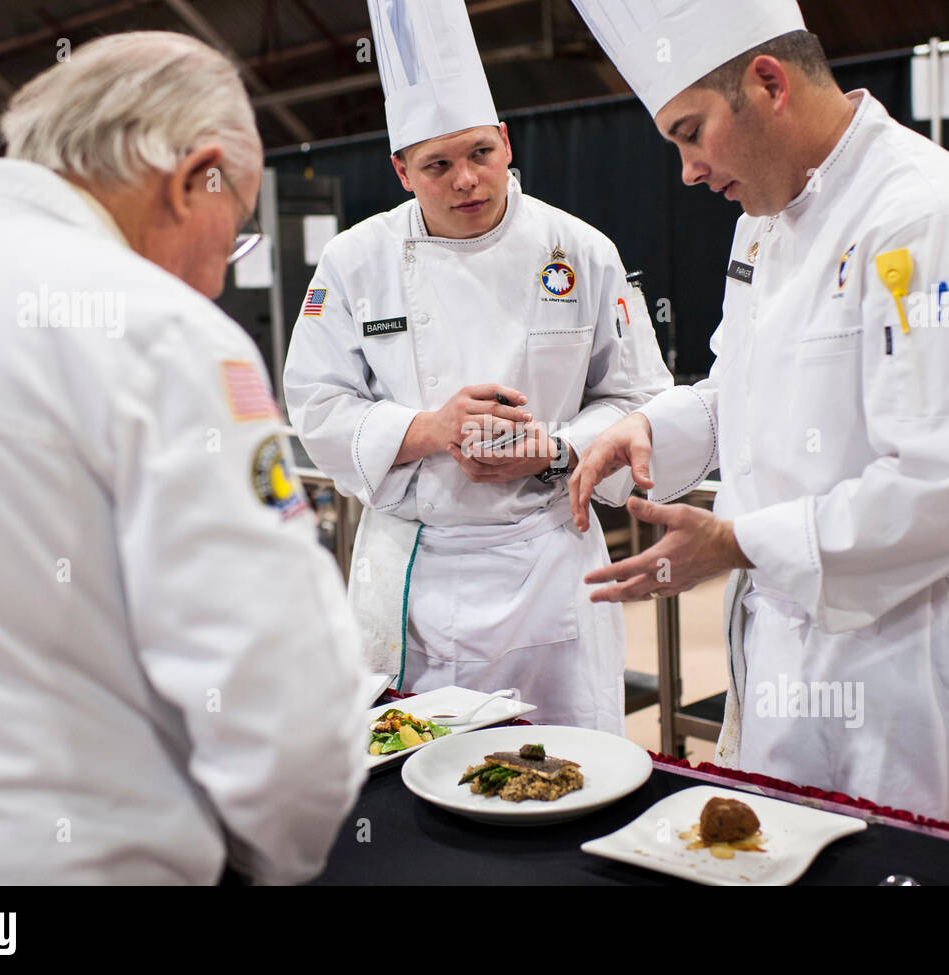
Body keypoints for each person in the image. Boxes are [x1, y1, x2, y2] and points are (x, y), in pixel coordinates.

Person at [0, 31, 368, 884]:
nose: (216, 278)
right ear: (194, 176)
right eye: (235, 231)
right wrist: (274, 861)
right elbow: (288, 719)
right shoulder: (160, 332)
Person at [568, 0, 949, 842]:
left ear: (768, 84)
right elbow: (743, 386)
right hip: (789, 652)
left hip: (911, 665)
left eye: (691, 133)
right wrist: (657, 427)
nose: (687, 170)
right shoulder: (765, 226)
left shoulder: (924, 218)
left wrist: (736, 544)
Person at [284, 0, 672, 733]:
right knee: (422, 783)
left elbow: (641, 398)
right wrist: (429, 429)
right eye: (437, 165)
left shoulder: (581, 251)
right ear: (401, 171)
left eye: (480, 154)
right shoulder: (355, 263)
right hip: (416, 573)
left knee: (569, 767)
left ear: (505, 139)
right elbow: (314, 402)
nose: (465, 179)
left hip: (550, 561)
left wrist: (557, 448)